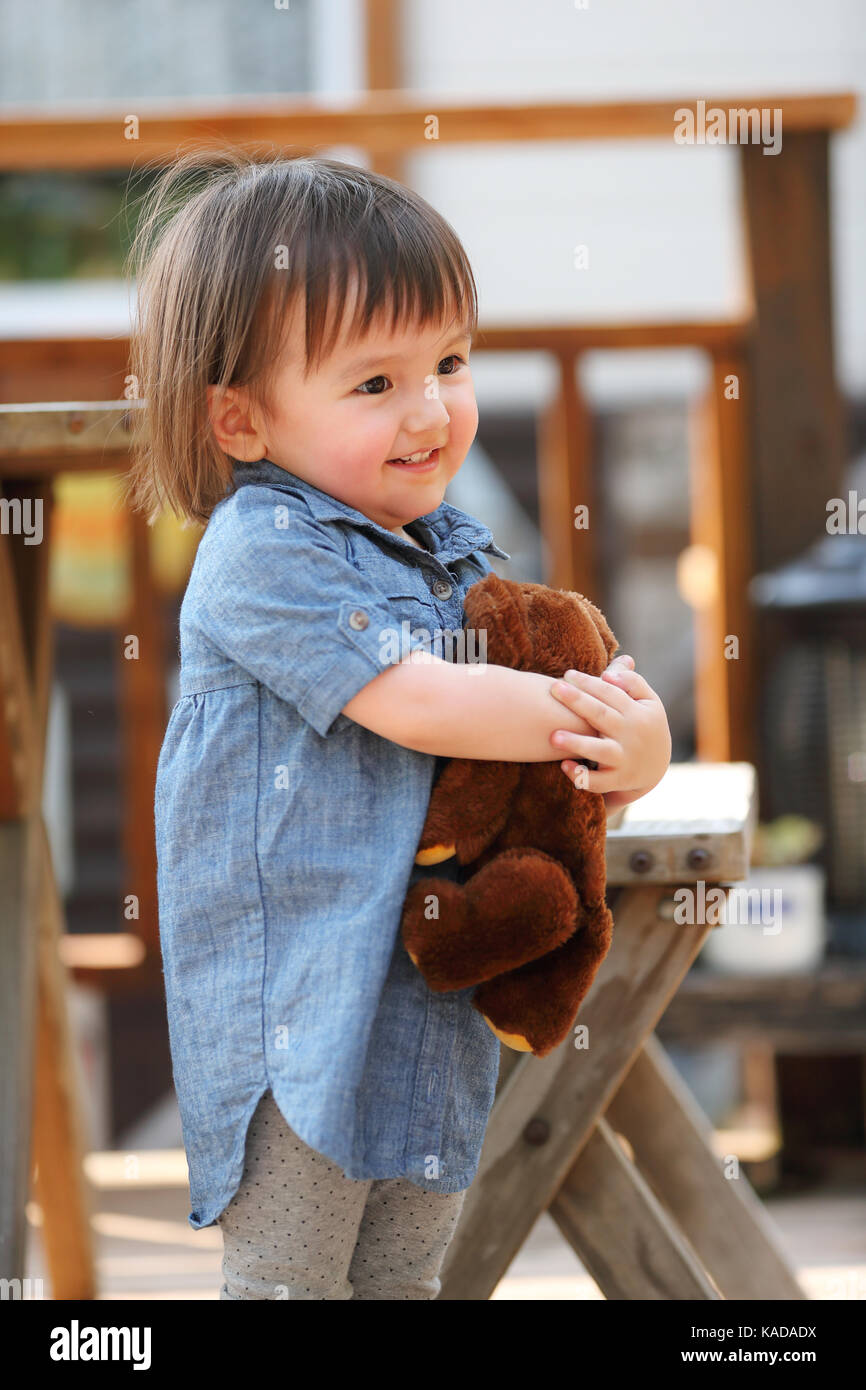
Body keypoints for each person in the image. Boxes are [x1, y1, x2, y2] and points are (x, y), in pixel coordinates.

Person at [124, 151, 671, 1300]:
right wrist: (580, 722)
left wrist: (637, 737)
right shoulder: (262, 555)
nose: (429, 410)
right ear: (238, 416)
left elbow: (563, 660)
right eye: (374, 384)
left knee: (407, 1276)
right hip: (301, 1017)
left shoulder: (452, 545)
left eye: (450, 363)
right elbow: (418, 697)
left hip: (428, 998)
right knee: (292, 1278)